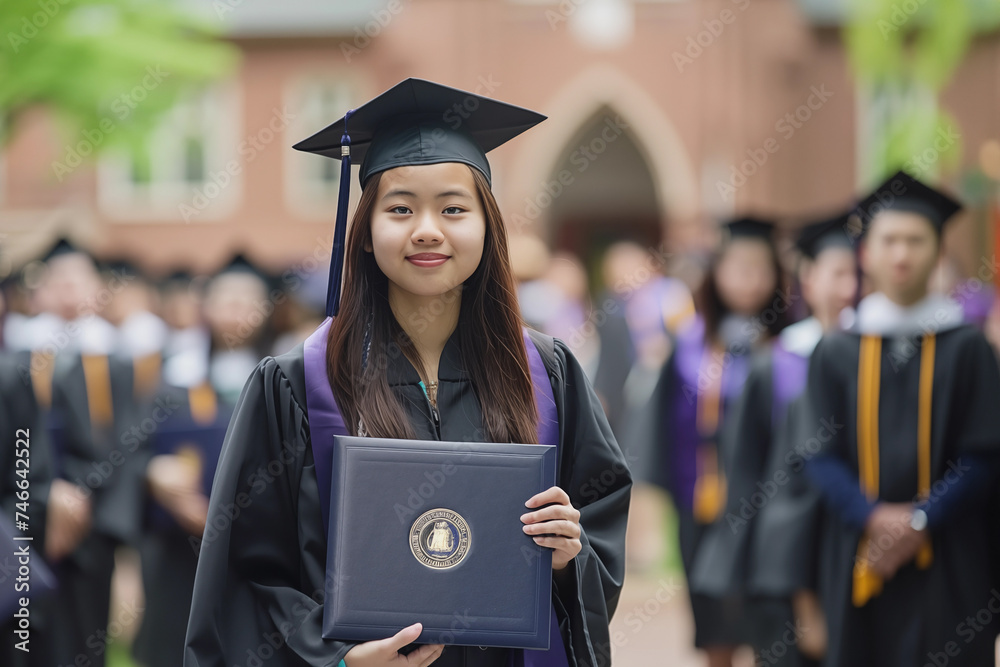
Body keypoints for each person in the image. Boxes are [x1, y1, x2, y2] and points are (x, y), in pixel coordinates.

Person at [184, 78, 631, 667]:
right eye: (400, 209)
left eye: (453, 208)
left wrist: (571, 553)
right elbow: (247, 570)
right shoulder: (296, 385)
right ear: (366, 232)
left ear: (487, 229)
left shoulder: (547, 373)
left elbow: (599, 521)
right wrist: (338, 658)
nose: (427, 228)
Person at [802, 171, 1000, 666]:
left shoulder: (968, 346)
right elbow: (818, 454)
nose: (902, 254)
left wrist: (919, 520)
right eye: (889, 240)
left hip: (952, 553)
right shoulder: (837, 349)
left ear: (938, 250)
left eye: (916, 240)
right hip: (857, 550)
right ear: (866, 253)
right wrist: (872, 517)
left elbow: (986, 451)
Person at [692, 212, 859, 665]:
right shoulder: (779, 363)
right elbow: (747, 471)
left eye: (858, 274)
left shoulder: (883, 355)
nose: (850, 287)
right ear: (808, 276)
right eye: (839, 272)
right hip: (783, 564)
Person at [632, 217, 789, 667]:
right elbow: (664, 425)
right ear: (716, 272)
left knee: (770, 623)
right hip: (702, 504)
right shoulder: (689, 344)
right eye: (738, 267)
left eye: (761, 268)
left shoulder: (788, 344)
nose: (749, 280)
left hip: (770, 511)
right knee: (714, 623)